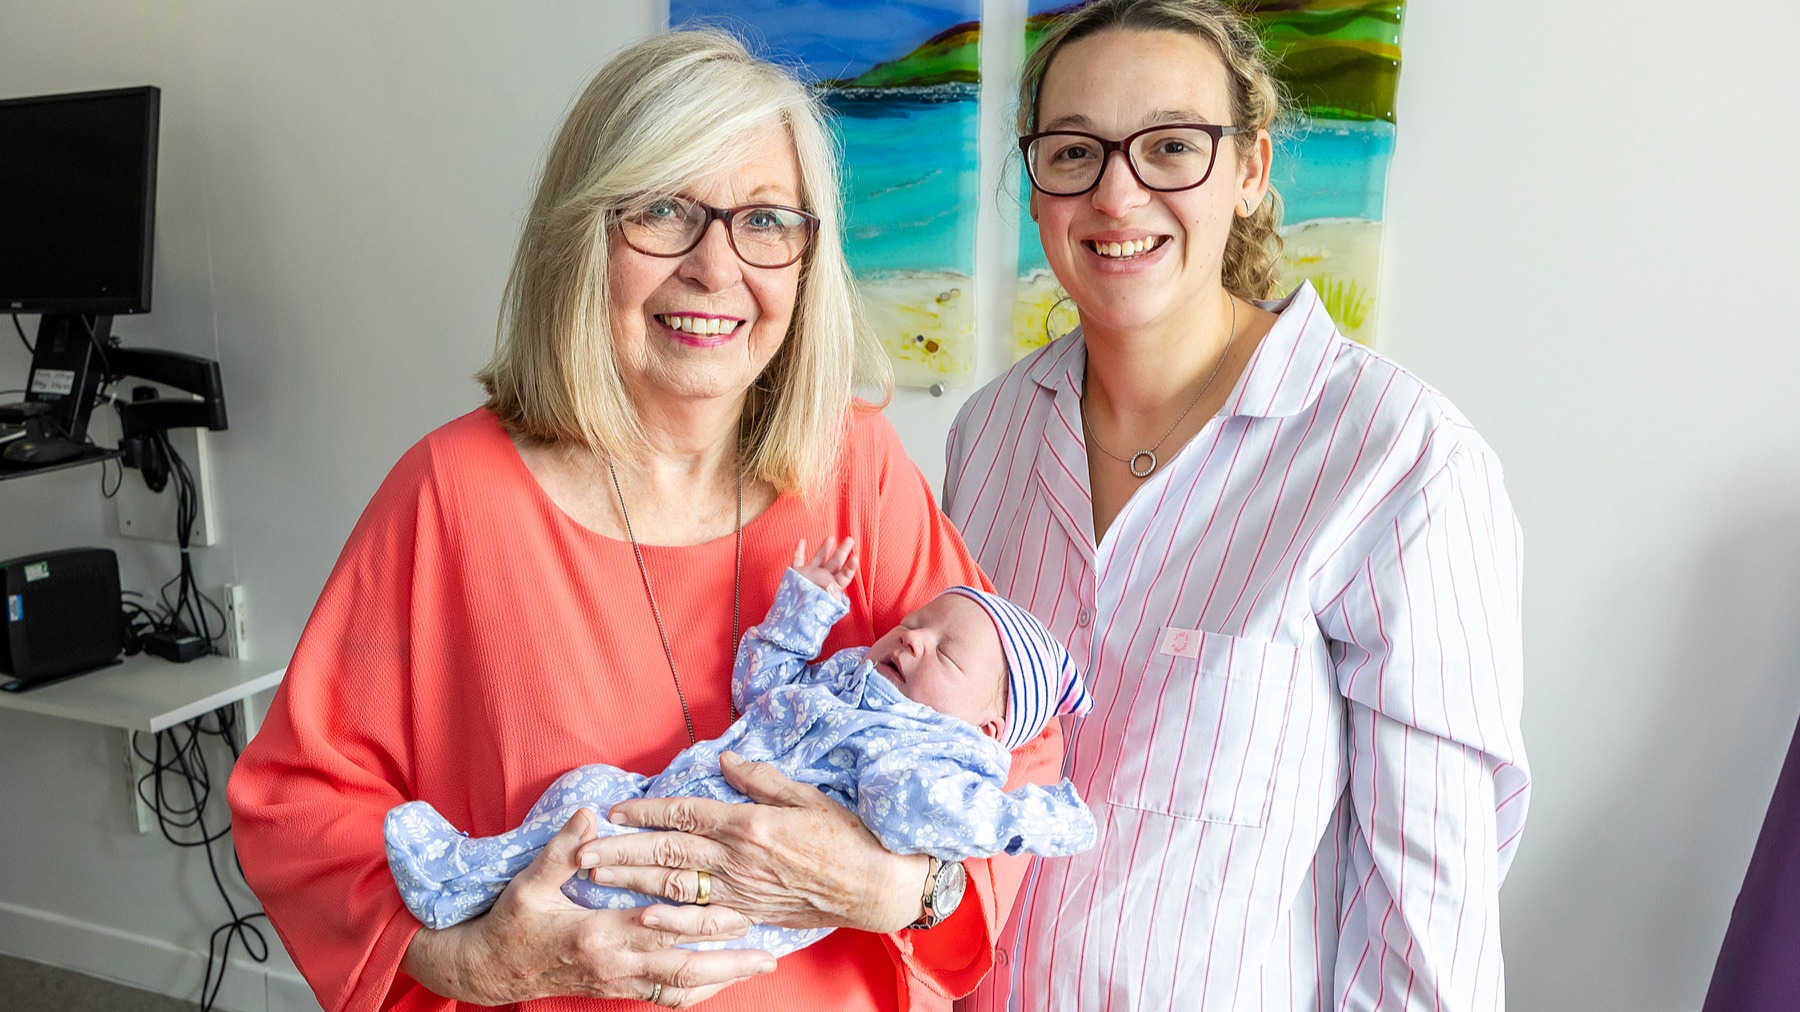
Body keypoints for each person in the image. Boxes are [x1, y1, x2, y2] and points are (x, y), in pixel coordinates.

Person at [226, 29, 1065, 1012]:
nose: (716, 268)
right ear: (579, 236)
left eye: (764, 220)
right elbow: (297, 807)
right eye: (662, 210)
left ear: (805, 256)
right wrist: (473, 962)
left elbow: (1019, 739)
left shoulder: (857, 466)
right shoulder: (450, 494)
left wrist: (904, 888)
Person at [942, 1, 1531, 1008]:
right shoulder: (987, 432)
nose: (1117, 195)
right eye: (1074, 151)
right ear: (1035, 184)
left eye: (1171, 146)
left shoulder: (1398, 457)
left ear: (1250, 170)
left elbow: (1426, 920)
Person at [385, 538, 1098, 956]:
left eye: (948, 654)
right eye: (917, 621)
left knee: (592, 861)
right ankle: (470, 883)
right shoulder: (849, 684)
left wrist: (1029, 817)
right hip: (666, 801)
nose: (912, 637)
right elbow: (762, 693)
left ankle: (458, 884)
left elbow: (918, 813)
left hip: (722, 890)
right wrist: (805, 610)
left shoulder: (926, 757)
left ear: (987, 729)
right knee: (582, 798)